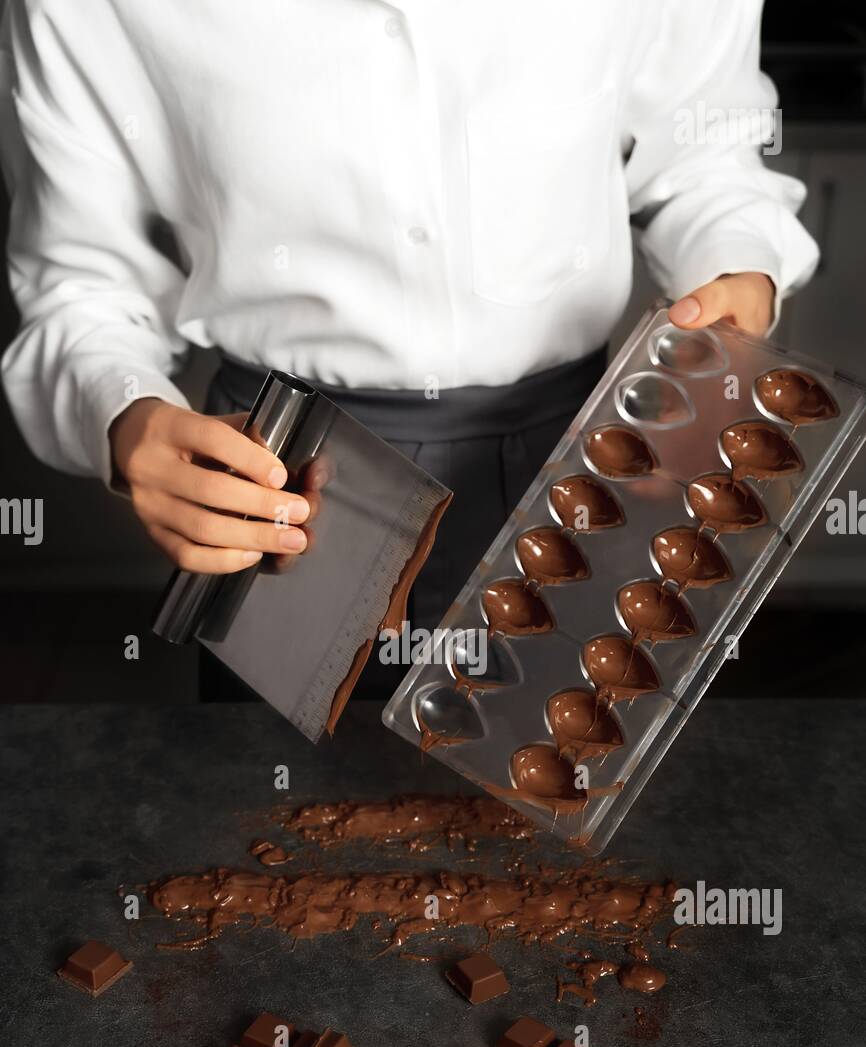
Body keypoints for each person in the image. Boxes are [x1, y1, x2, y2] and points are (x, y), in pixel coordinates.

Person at [0, 0, 818, 660]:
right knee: (279, 839)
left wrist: (731, 282)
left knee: (576, 847)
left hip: (587, 464)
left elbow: (705, 159)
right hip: (282, 493)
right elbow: (81, 285)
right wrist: (125, 419)